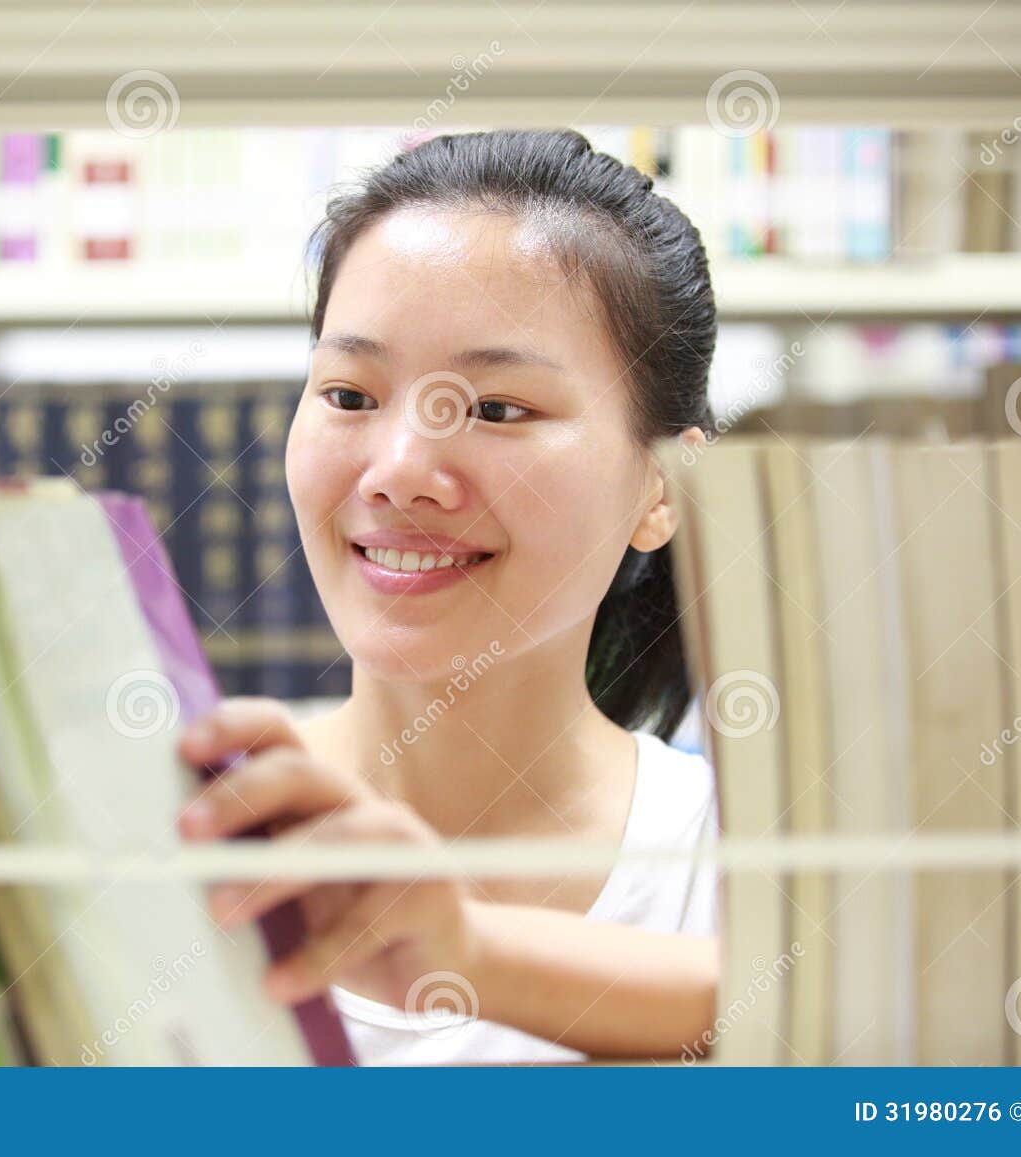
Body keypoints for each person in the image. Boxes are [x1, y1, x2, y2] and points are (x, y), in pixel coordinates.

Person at [177, 129, 721, 1064]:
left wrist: (472, 949)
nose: (398, 473)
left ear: (664, 485)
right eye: (349, 394)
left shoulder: (752, 863)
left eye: (497, 408)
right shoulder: (173, 831)